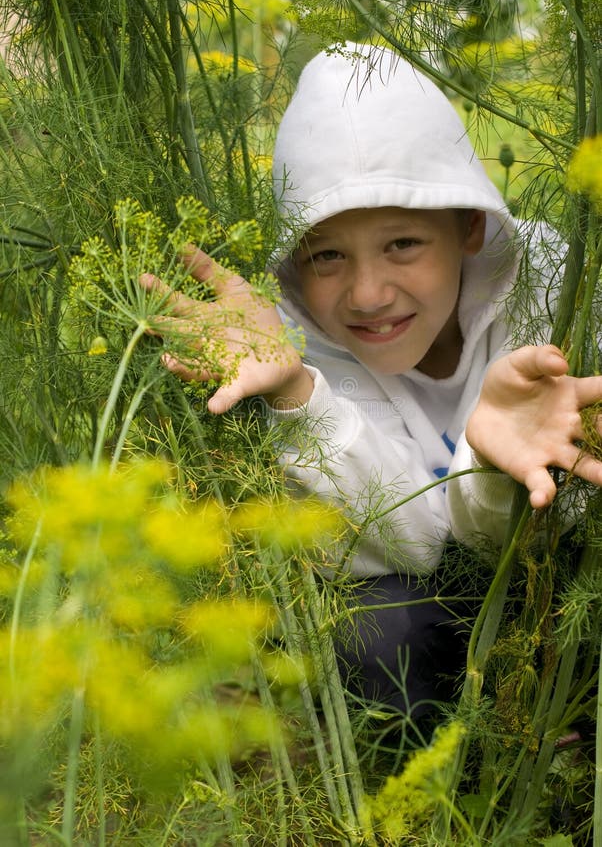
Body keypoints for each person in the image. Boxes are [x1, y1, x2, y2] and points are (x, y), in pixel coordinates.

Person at [140, 42, 602, 719]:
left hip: (567, 571)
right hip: (440, 598)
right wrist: (300, 396)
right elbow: (409, 546)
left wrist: (521, 470)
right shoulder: (295, 343)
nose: (367, 294)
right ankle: (454, 780)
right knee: (376, 628)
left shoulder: (555, 287)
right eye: (326, 255)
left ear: (470, 225)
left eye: (402, 244)